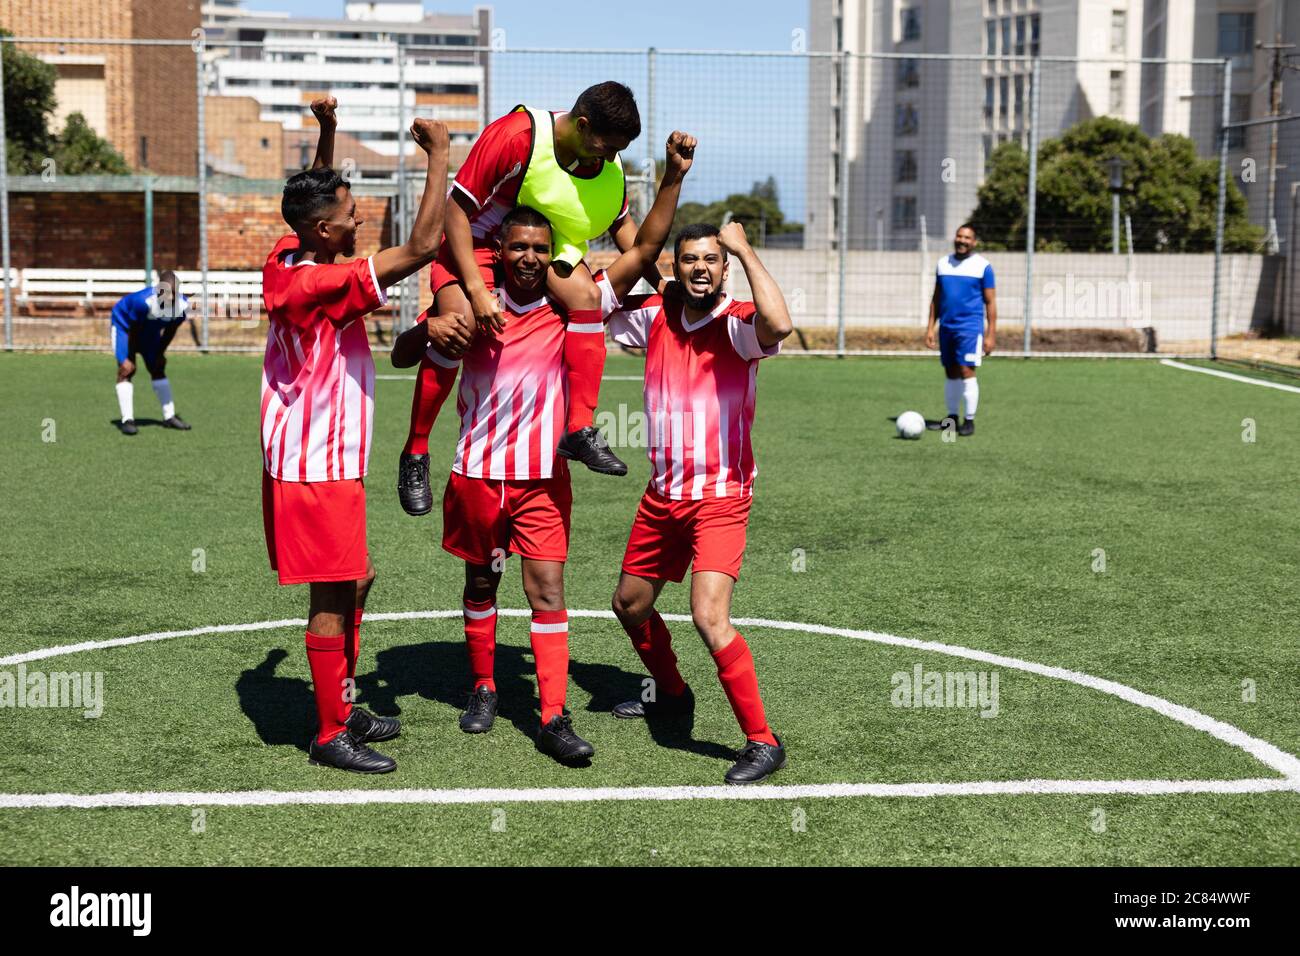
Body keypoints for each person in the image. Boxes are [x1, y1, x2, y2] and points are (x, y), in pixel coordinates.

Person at [391, 131, 697, 765]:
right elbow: (402, 354)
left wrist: (672, 178)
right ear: (498, 252)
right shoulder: (471, 308)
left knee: (548, 592)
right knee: (481, 581)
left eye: (539, 248)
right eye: (518, 248)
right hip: (476, 475)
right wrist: (429, 327)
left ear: (550, 253)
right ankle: (483, 687)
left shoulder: (570, 311)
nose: (529, 258)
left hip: (542, 479)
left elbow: (643, 249)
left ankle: (554, 717)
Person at [260, 96, 464, 773]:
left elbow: (313, 199)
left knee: (358, 579)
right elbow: (424, 247)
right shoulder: (322, 281)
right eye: (351, 212)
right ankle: (329, 733)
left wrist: (327, 133)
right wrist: (439, 156)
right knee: (333, 593)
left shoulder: (288, 254)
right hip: (312, 465)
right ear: (325, 230)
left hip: (316, 460)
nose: (359, 217)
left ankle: (341, 704)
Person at [397, 82, 665, 515]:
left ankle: (579, 428)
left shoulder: (602, 162)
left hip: (533, 248)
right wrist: (477, 290)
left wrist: (662, 283)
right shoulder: (515, 136)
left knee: (586, 297)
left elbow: (625, 230)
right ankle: (416, 451)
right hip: (473, 243)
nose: (610, 157)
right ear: (582, 125)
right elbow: (456, 211)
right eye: (607, 147)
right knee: (460, 326)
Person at [605, 220, 792, 785]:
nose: (701, 269)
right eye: (690, 259)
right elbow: (595, 302)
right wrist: (617, 231)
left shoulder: (736, 325)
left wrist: (744, 247)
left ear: (724, 268)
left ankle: (762, 741)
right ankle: (671, 693)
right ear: (677, 266)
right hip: (662, 495)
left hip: (720, 498)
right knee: (629, 605)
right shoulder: (656, 314)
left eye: (712, 259)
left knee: (709, 617)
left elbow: (779, 323)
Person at [923, 224, 996, 437]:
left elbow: (990, 302)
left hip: (970, 328)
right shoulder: (943, 264)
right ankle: (952, 419)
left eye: (967, 238)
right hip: (947, 327)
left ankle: (969, 421)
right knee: (950, 371)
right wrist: (930, 327)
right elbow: (936, 298)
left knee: (966, 370)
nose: (962, 240)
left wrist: (991, 334)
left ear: (974, 242)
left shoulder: (983, 266)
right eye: (959, 236)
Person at [110, 271, 199, 435]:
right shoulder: (142, 302)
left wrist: (160, 353)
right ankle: (127, 420)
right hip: (125, 327)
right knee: (127, 369)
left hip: (150, 331)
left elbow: (170, 331)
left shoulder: (182, 307)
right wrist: (130, 357)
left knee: (157, 367)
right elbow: (133, 331)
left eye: (174, 293)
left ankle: (169, 417)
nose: (170, 298)